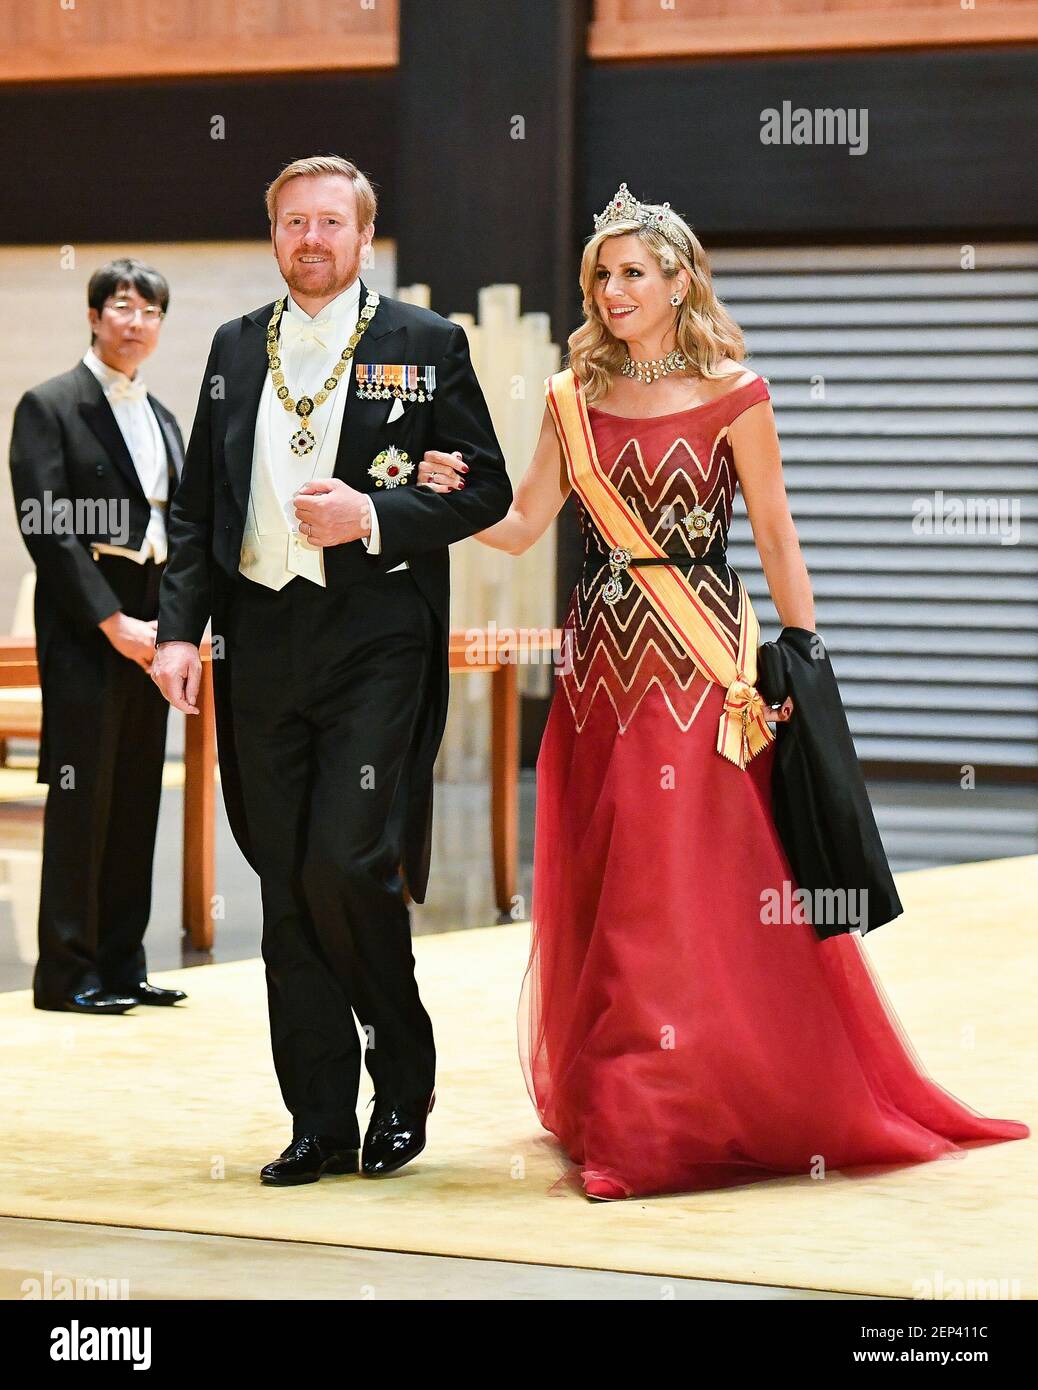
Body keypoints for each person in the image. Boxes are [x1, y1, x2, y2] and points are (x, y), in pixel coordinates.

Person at [421, 183, 1029, 1200]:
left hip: (704, 668)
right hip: (599, 672)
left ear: (678, 280)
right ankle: (626, 1106)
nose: (613, 292)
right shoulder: (572, 398)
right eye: (601, 276)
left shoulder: (737, 391)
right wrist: (445, 499)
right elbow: (526, 523)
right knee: (612, 892)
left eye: (633, 273)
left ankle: (677, 1111)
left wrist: (807, 656)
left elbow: (778, 532)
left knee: (681, 893)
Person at [151, 155, 512, 1186]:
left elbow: (481, 486)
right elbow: (196, 510)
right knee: (284, 880)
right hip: (258, 639)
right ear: (274, 236)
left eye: (330, 223)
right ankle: (319, 1117)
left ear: (363, 237)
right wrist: (181, 629)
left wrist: (375, 515)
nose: (311, 239)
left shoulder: (424, 343)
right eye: (293, 223)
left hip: (375, 633)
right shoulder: (232, 346)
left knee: (345, 860)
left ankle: (402, 1064)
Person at [8, 258, 187, 1015]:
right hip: (89, 619)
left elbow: (181, 526)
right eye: (121, 306)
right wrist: (110, 620)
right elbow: (45, 528)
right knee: (83, 795)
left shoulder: (165, 416)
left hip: (153, 616)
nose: (135, 321)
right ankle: (66, 973)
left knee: (139, 789)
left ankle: (122, 963)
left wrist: (175, 628)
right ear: (93, 315)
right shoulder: (49, 404)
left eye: (150, 311)